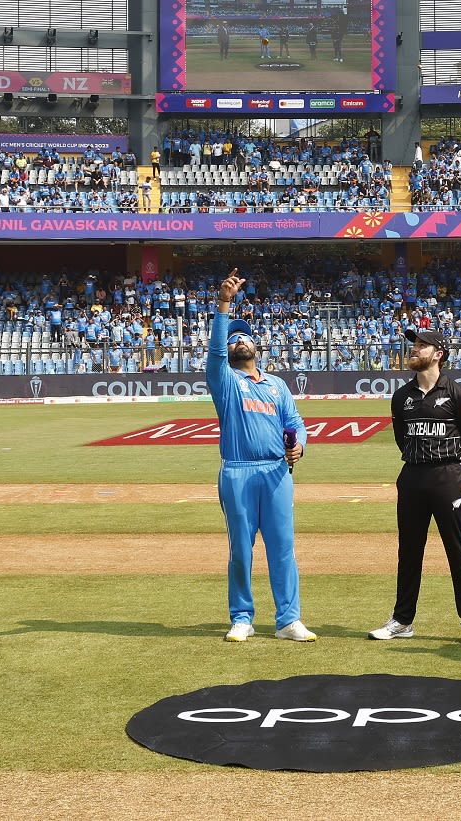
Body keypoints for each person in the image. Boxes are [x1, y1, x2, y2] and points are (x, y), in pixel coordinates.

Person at [208, 269, 314, 643]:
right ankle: (241, 617)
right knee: (241, 549)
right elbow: (217, 351)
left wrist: (299, 444)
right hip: (237, 471)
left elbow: (295, 421)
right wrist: (224, 304)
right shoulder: (225, 382)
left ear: (256, 347)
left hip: (276, 472)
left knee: (283, 547)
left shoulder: (276, 385)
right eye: (233, 338)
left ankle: (288, 619)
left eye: (244, 337)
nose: (238, 341)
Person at [369, 328, 461, 647]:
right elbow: (400, 440)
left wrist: (454, 473)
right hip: (412, 478)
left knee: (457, 549)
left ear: (439, 354)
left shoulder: (458, 394)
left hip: (448, 478)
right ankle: (402, 620)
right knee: (408, 552)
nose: (415, 349)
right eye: (414, 345)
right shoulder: (401, 397)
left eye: (422, 345)